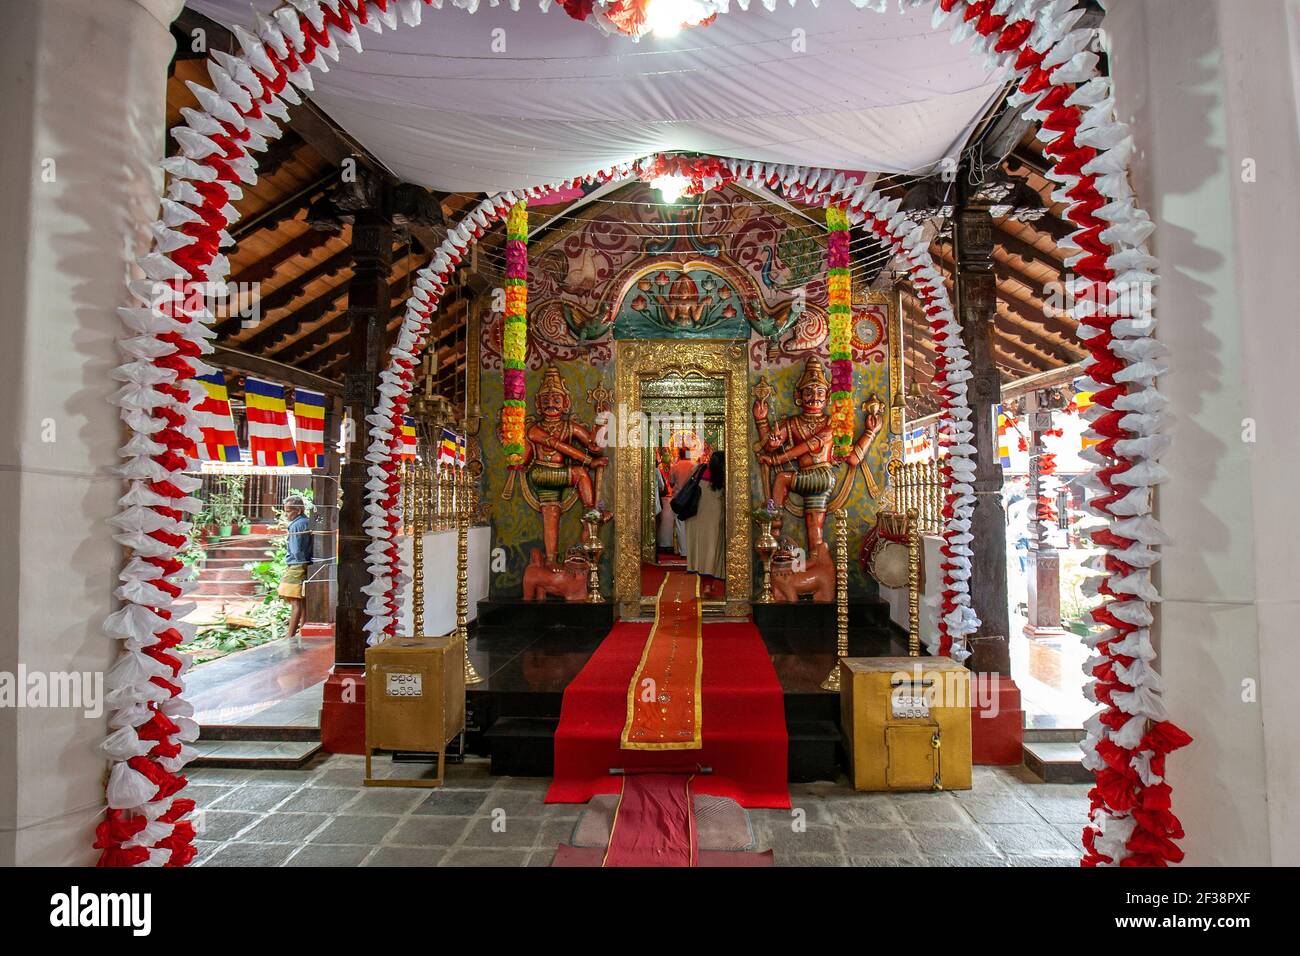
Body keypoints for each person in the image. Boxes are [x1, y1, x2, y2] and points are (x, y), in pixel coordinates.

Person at [683, 450, 725, 580]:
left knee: (698, 546)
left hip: (694, 513)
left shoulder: (698, 469)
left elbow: (686, 484)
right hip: (714, 515)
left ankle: (702, 579)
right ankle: (709, 580)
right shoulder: (723, 476)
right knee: (712, 546)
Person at [278, 495, 312, 640]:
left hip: (297, 565)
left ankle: (289, 635)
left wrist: (298, 563)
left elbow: (296, 549)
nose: (287, 515)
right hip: (305, 563)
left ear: (298, 510)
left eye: (289, 511)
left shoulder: (296, 525)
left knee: (294, 600)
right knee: (302, 601)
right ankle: (301, 632)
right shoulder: (307, 522)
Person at [667, 446, 696, 556]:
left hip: (679, 498)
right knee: (692, 523)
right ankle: (693, 551)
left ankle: (683, 551)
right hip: (691, 498)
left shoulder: (675, 466)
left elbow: (671, 482)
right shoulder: (694, 466)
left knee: (680, 524)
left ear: (679, 454)